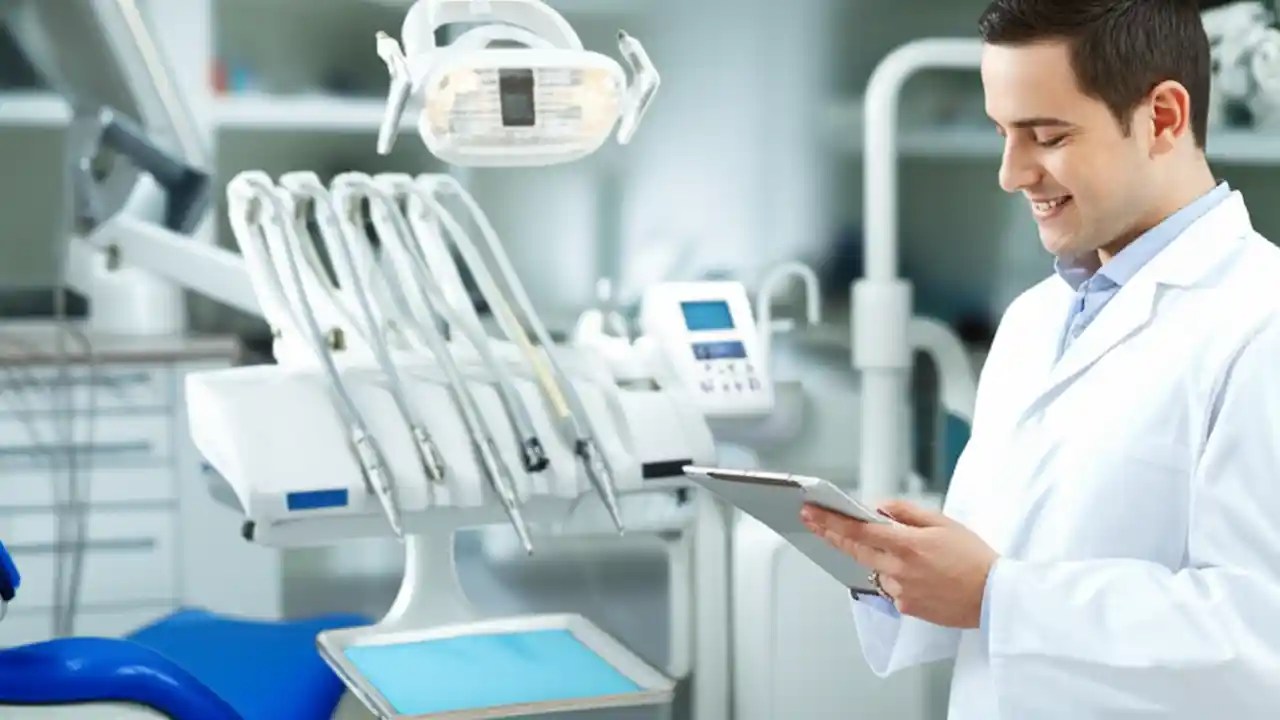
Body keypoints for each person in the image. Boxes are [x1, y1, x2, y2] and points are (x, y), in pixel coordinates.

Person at [800, 1, 1280, 718]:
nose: (1011, 172)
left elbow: (1259, 637)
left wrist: (999, 595)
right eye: (1002, 133)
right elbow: (990, 579)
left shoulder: (1260, 323)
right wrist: (902, 569)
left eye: (1047, 136)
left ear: (1164, 118)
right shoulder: (1034, 320)